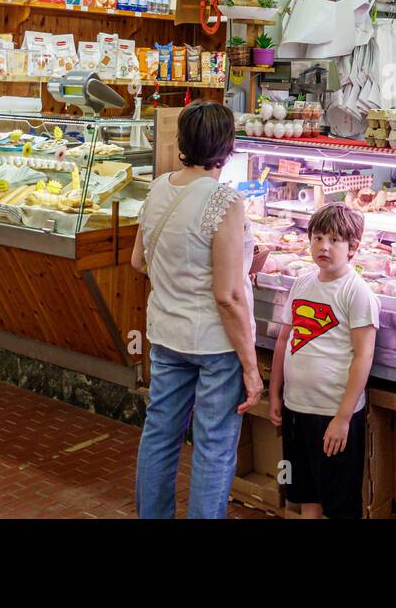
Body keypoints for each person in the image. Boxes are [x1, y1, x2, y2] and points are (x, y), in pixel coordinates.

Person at [131, 100, 264, 519]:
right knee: (214, 446)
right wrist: (250, 365)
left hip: (166, 334)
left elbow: (139, 261)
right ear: (227, 147)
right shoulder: (223, 201)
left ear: (182, 141)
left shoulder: (159, 188)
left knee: (159, 435)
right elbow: (227, 295)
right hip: (214, 343)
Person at [269, 204, 379, 519]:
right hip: (296, 408)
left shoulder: (357, 292)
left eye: (334, 240)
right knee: (305, 495)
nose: (323, 247)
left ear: (353, 247)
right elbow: (283, 339)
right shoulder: (302, 284)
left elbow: (363, 356)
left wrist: (343, 418)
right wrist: (275, 393)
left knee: (339, 503)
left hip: (333, 415)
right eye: (317, 238)